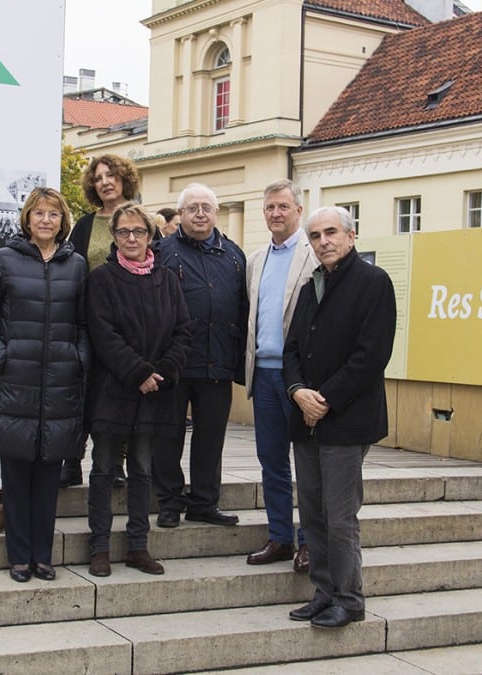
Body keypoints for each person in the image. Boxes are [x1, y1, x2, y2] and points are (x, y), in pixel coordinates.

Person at [282, 206, 396, 628]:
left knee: (340, 514)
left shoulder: (373, 282)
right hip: (306, 416)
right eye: (315, 236)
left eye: (331, 232)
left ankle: (349, 599)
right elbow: (291, 347)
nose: (323, 241)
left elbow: (372, 354)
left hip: (345, 419)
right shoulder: (312, 284)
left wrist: (324, 398)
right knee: (312, 511)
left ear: (351, 236)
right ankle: (323, 591)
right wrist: (297, 392)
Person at [0, 187, 89, 584]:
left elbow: (85, 325)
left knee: (48, 481)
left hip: (59, 388)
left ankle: (43, 556)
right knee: (17, 478)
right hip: (13, 386)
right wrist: (1, 357)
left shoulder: (77, 266)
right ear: (27, 218)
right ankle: (18, 557)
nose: (45, 220)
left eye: (53, 214)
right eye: (38, 213)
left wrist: (78, 358)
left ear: (63, 221)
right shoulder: (2, 261)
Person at [84, 202, 192, 577]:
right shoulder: (102, 278)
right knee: (102, 468)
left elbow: (182, 331)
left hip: (154, 393)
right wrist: (139, 372)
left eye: (139, 231)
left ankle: (137, 545)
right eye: (123, 232)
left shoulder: (167, 279)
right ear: (114, 237)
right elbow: (103, 334)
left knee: (143, 469)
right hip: (113, 390)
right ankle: (99, 546)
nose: (131, 238)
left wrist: (161, 372)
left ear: (151, 235)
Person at [152, 183, 247, 528]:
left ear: (216, 212)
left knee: (210, 438)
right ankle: (168, 501)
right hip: (172, 364)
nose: (200, 214)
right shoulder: (160, 252)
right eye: (192, 208)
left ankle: (204, 502)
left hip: (217, 361)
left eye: (206, 207)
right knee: (167, 436)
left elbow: (242, 308)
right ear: (181, 214)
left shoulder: (234, 255)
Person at [243, 179, 318, 572]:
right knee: (271, 461)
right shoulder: (257, 259)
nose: (276, 213)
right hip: (264, 374)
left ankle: (309, 542)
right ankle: (279, 537)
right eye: (270, 207)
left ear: (298, 211)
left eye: (283, 207)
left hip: (299, 379)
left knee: (305, 461)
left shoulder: (313, 257)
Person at [62, 153, 141, 488]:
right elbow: (72, 271)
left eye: (111, 175)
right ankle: (71, 459)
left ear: (124, 178)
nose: (106, 182)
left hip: (130, 326)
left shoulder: (141, 221)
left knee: (122, 395)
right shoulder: (84, 225)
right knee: (80, 393)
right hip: (89, 322)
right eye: (99, 178)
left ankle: (115, 464)